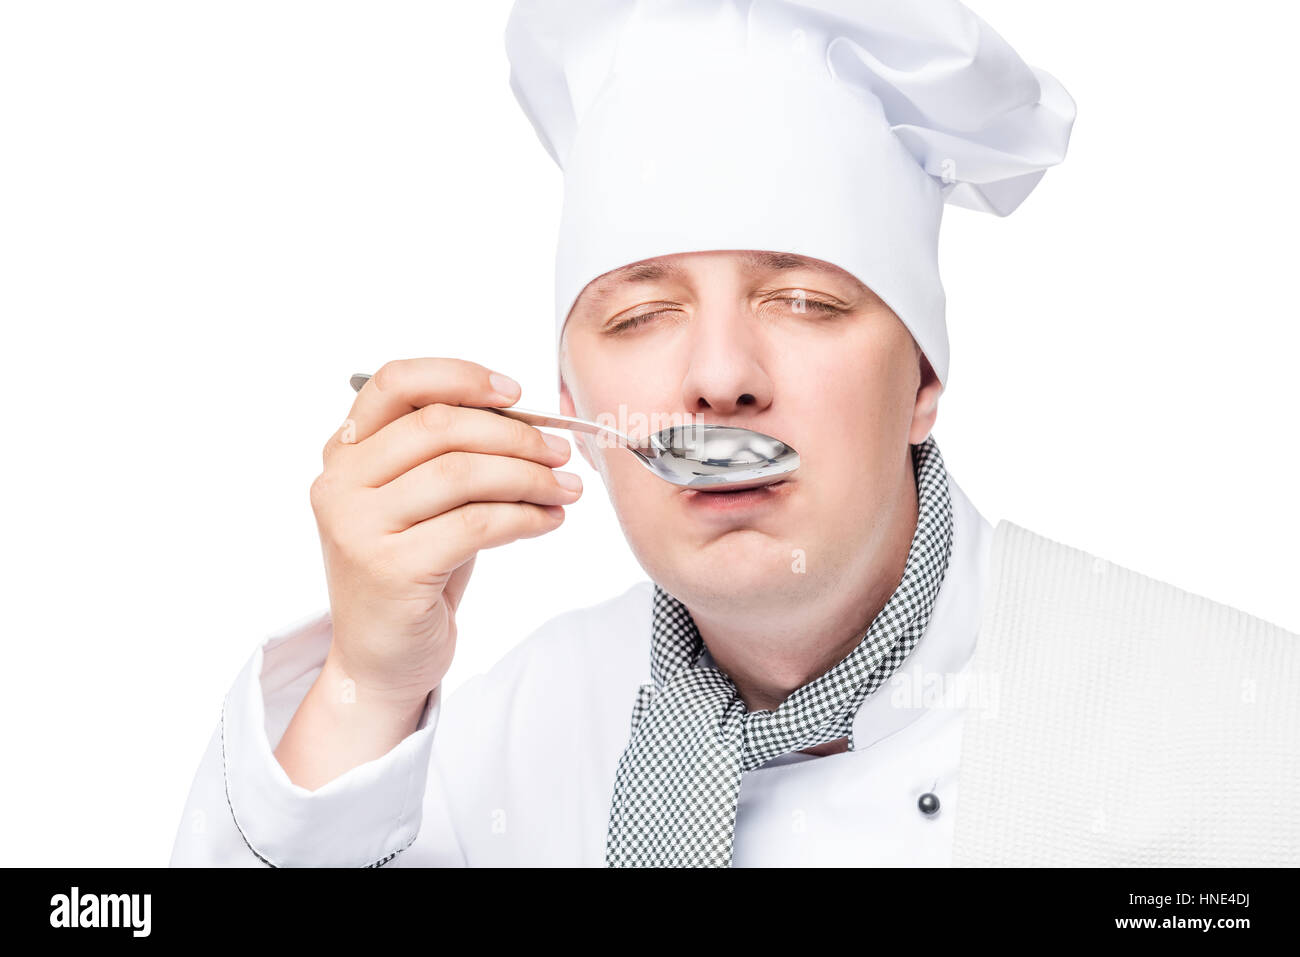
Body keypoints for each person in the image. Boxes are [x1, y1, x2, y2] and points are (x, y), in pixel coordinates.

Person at [170, 0, 1300, 868]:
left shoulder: (1240, 743)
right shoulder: (498, 744)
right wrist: (366, 684)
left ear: (923, 381)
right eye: (640, 314)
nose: (717, 379)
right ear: (575, 398)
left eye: (806, 302)